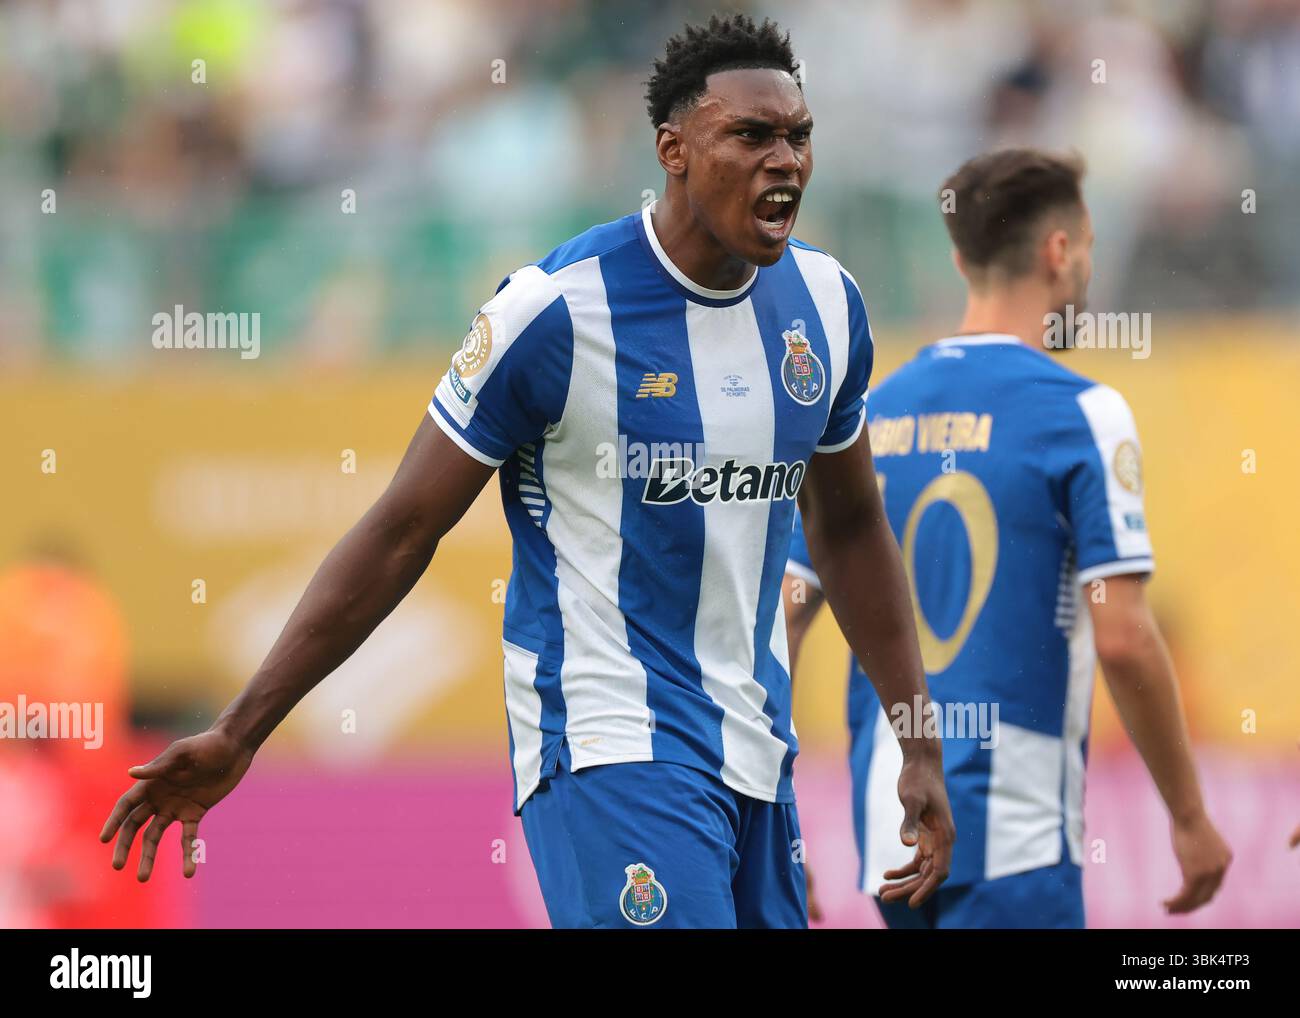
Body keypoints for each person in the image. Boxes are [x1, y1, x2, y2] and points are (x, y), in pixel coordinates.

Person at [102, 14, 953, 929]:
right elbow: (401, 530)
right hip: (605, 742)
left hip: (755, 749)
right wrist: (241, 730)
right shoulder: (553, 314)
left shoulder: (827, 305)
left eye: (798, 137)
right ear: (672, 149)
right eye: (750, 136)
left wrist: (917, 739)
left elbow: (852, 527)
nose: (784, 161)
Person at [784, 148, 1231, 928]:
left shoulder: (869, 416)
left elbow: (782, 617)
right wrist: (1189, 818)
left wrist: (779, 833)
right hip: (1016, 839)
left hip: (888, 827)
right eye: (1086, 247)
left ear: (961, 257)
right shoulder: (1081, 414)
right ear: (1061, 252)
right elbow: (1122, 639)